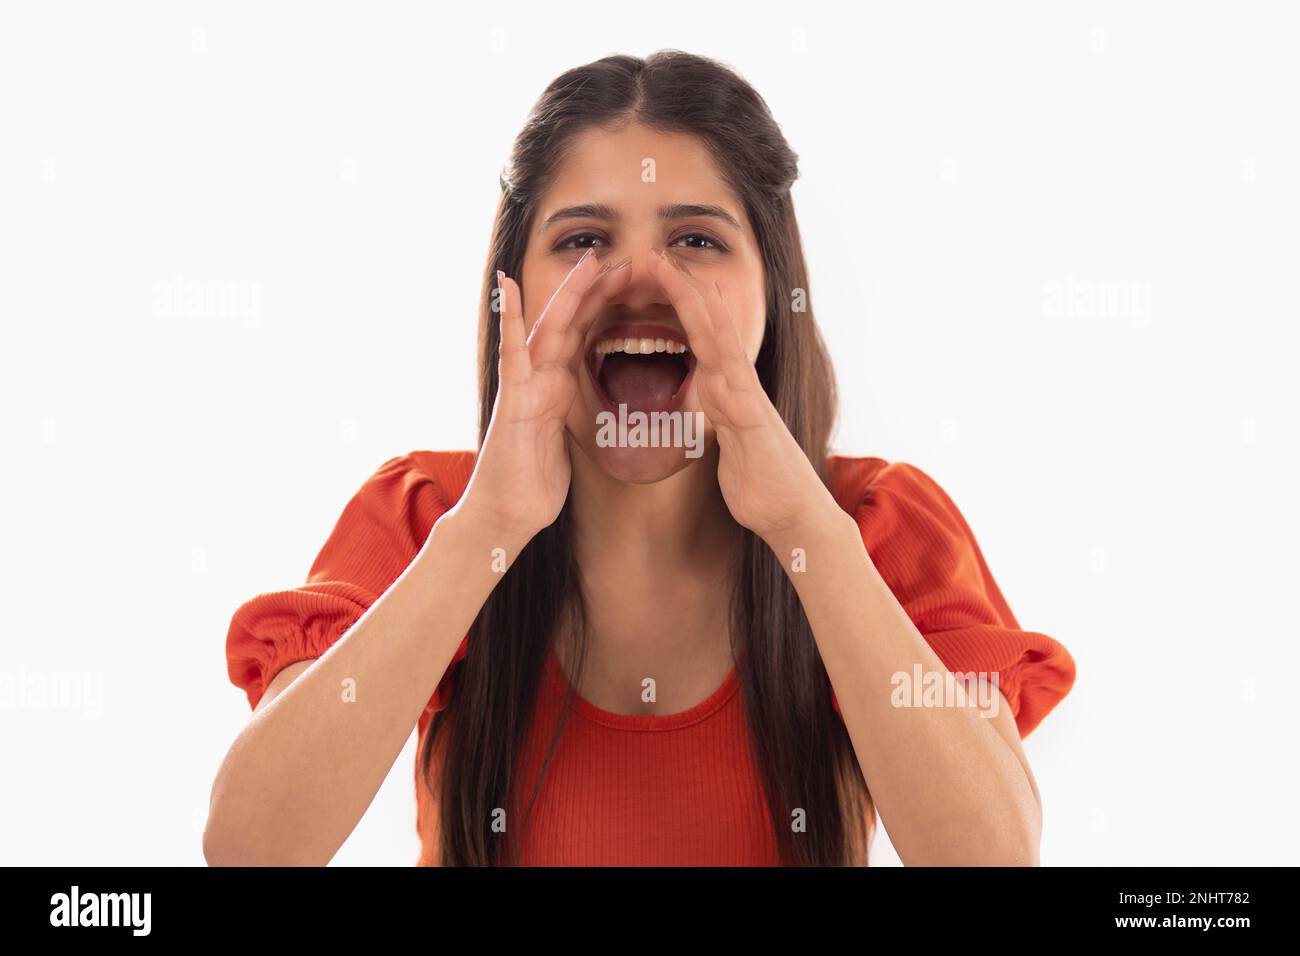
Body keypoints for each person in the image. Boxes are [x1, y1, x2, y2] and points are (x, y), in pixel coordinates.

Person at [206, 50, 1076, 867]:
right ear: (513, 291)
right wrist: (489, 532)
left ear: (772, 291)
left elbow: (994, 855)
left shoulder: (878, 524)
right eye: (583, 241)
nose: (639, 279)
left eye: (696, 240)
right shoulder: (429, 514)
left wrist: (804, 524)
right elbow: (248, 846)